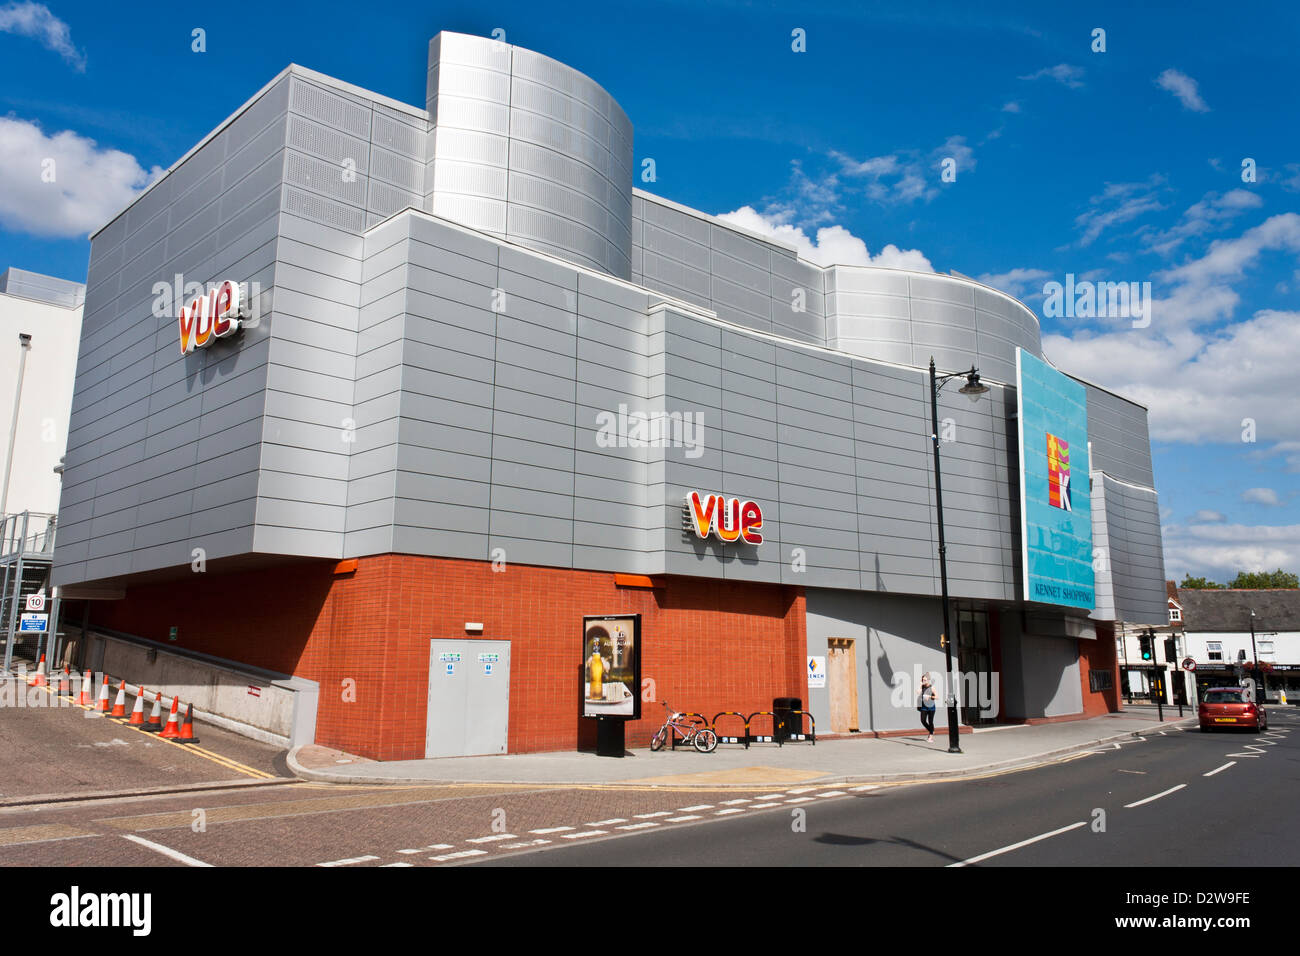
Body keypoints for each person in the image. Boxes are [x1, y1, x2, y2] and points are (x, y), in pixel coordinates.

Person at [918, 673, 937, 742]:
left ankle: (930, 736)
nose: (924, 681)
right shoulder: (922, 687)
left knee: (930, 721)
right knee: (923, 720)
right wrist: (920, 685)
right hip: (924, 707)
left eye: (925, 680)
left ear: (928, 680)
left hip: (931, 707)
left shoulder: (932, 687)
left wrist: (929, 697)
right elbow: (917, 692)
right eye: (923, 680)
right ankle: (931, 730)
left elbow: (937, 697)